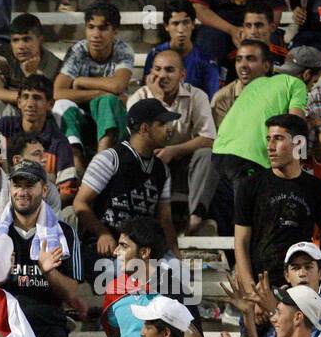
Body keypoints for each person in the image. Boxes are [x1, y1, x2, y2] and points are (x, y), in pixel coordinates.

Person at [0, 159, 84, 337]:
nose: (22, 191)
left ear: (44, 189)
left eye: (29, 185)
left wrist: (49, 272)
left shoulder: (65, 233)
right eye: (17, 185)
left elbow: (72, 294)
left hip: (48, 335)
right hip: (2, 334)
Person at [74, 98, 181, 275]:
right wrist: (102, 233)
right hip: (106, 250)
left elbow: (165, 220)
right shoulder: (110, 158)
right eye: (162, 123)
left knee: (178, 273)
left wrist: (175, 253)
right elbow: (80, 203)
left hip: (142, 251)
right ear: (145, 128)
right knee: (133, 275)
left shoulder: (162, 170)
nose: (169, 129)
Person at [212, 46, 319, 217]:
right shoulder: (297, 84)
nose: (312, 88)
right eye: (314, 82)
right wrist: (310, 126)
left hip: (218, 154)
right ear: (307, 75)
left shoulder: (258, 82)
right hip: (249, 158)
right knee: (252, 218)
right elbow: (295, 127)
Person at [234, 114, 321, 291]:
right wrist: (253, 293)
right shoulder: (250, 185)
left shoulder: (319, 189)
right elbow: (241, 242)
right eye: (268, 139)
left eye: (278, 139)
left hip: (301, 287)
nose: (270, 147)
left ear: (298, 144)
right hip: (261, 286)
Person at [127, 49, 218, 234]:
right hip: (151, 164)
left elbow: (208, 139)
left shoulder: (197, 96)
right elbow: (137, 141)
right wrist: (157, 100)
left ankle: (196, 216)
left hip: (184, 166)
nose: (162, 76)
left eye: (169, 70)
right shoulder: (139, 98)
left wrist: (174, 150)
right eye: (157, 70)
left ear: (182, 74)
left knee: (208, 155)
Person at [53, 2, 134, 157]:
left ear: (115, 31)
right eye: (91, 27)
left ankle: (101, 160)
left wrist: (80, 81)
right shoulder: (78, 51)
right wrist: (99, 93)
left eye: (103, 28)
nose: (96, 34)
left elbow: (117, 86)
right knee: (61, 105)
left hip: (114, 119)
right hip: (84, 116)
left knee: (108, 102)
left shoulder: (123, 50)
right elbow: (58, 92)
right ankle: (75, 162)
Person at [0, 75, 78, 199]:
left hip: (44, 205)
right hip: (3, 199)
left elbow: (67, 190)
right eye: (25, 97)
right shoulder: (3, 127)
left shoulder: (59, 142)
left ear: (50, 104)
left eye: (37, 98)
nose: (30, 104)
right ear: (19, 102)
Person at [0, 13, 64, 130]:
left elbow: (47, 100)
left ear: (40, 39)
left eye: (26, 39)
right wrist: (24, 99)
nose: (20, 46)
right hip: (12, 113)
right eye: (15, 40)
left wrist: (31, 75)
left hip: (40, 118)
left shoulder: (53, 64)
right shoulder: (4, 55)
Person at [189, 0, 287, 65]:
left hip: (256, 21)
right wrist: (231, 30)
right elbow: (199, 9)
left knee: (272, 39)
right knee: (209, 38)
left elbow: (276, 10)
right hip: (220, 23)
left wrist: (252, 31)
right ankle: (210, 81)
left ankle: (273, 77)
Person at [141, 0, 221, 99]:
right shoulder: (154, 56)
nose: (181, 30)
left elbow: (212, 100)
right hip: (160, 111)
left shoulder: (206, 60)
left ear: (193, 24)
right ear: (166, 26)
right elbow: (147, 94)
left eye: (186, 23)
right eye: (175, 24)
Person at [212, 38, 270, 128]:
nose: (243, 65)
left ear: (266, 66)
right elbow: (222, 138)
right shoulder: (222, 98)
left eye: (250, 59)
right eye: (238, 60)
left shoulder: (279, 92)